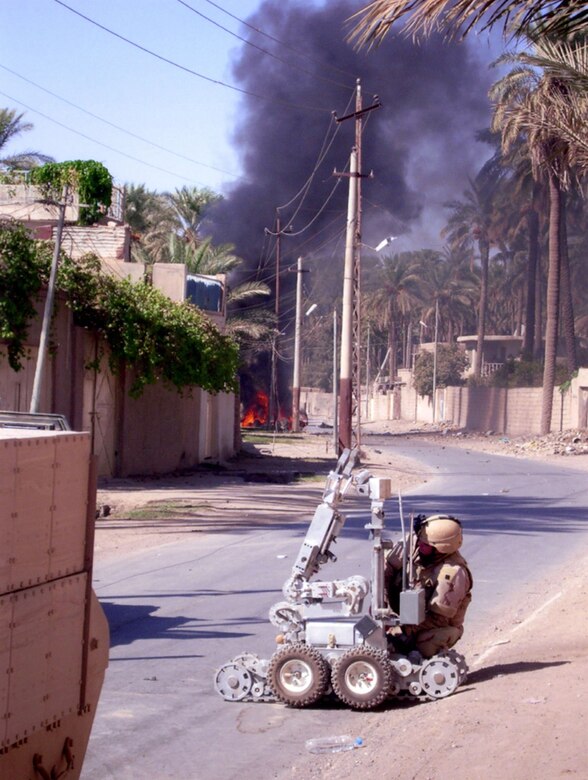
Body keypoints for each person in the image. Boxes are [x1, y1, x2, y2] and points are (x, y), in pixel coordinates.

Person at [385, 514, 473, 658]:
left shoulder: (453, 573)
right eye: (419, 540)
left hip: (434, 626)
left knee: (421, 647)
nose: (419, 545)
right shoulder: (418, 542)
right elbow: (387, 567)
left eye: (424, 545)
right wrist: (383, 603)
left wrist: (400, 630)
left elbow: (439, 619)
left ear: (440, 548)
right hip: (401, 616)